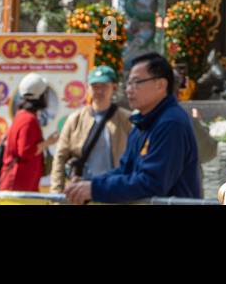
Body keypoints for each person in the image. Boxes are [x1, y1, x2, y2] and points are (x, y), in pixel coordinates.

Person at [64, 53, 200, 204]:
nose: (129, 90)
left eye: (136, 82)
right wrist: (89, 183)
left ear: (160, 85)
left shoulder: (171, 123)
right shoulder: (141, 124)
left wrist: (94, 189)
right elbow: (125, 171)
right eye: (128, 83)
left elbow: (153, 182)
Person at [49, 65, 131, 193]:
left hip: (114, 191)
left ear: (114, 87)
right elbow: (60, 157)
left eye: (104, 86)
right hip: (81, 192)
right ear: (88, 88)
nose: (99, 91)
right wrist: (56, 193)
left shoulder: (126, 119)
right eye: (95, 86)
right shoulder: (75, 119)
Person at [0, 73, 57, 192]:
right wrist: (49, 142)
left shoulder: (21, 115)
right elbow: (25, 151)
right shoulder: (29, 119)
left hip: (19, 183)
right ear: (41, 96)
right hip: (19, 185)